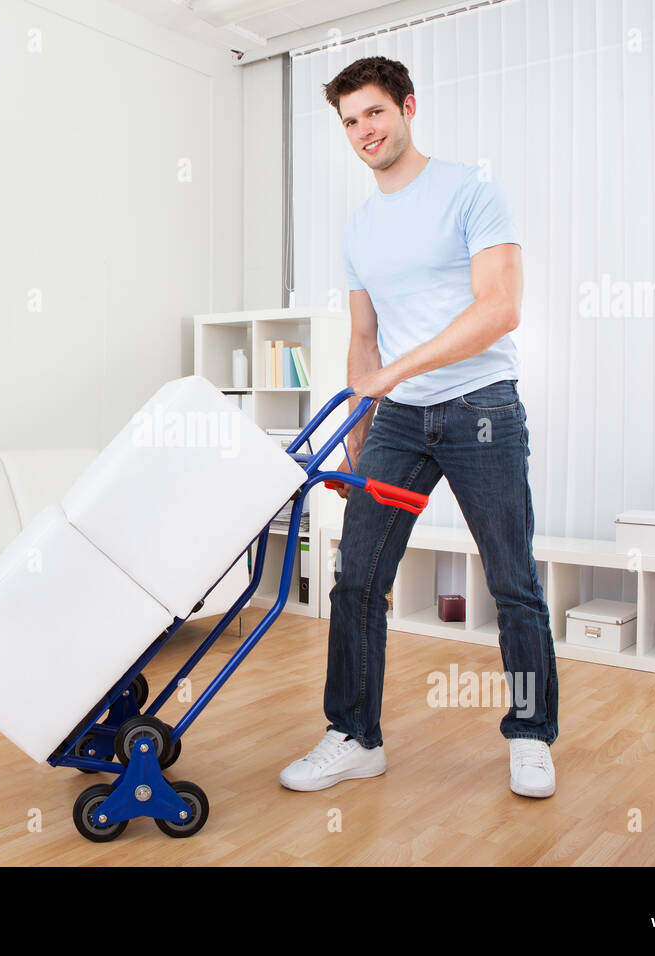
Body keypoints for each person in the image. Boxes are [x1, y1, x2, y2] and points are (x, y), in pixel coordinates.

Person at [278, 56, 559, 798]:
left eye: (373, 112)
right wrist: (361, 425)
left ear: (406, 108)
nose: (363, 130)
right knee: (358, 579)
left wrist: (394, 376)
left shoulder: (471, 189)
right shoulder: (360, 229)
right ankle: (354, 736)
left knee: (514, 582)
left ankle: (530, 736)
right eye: (349, 121)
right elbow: (364, 339)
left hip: (482, 408)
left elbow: (500, 309)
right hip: (398, 421)